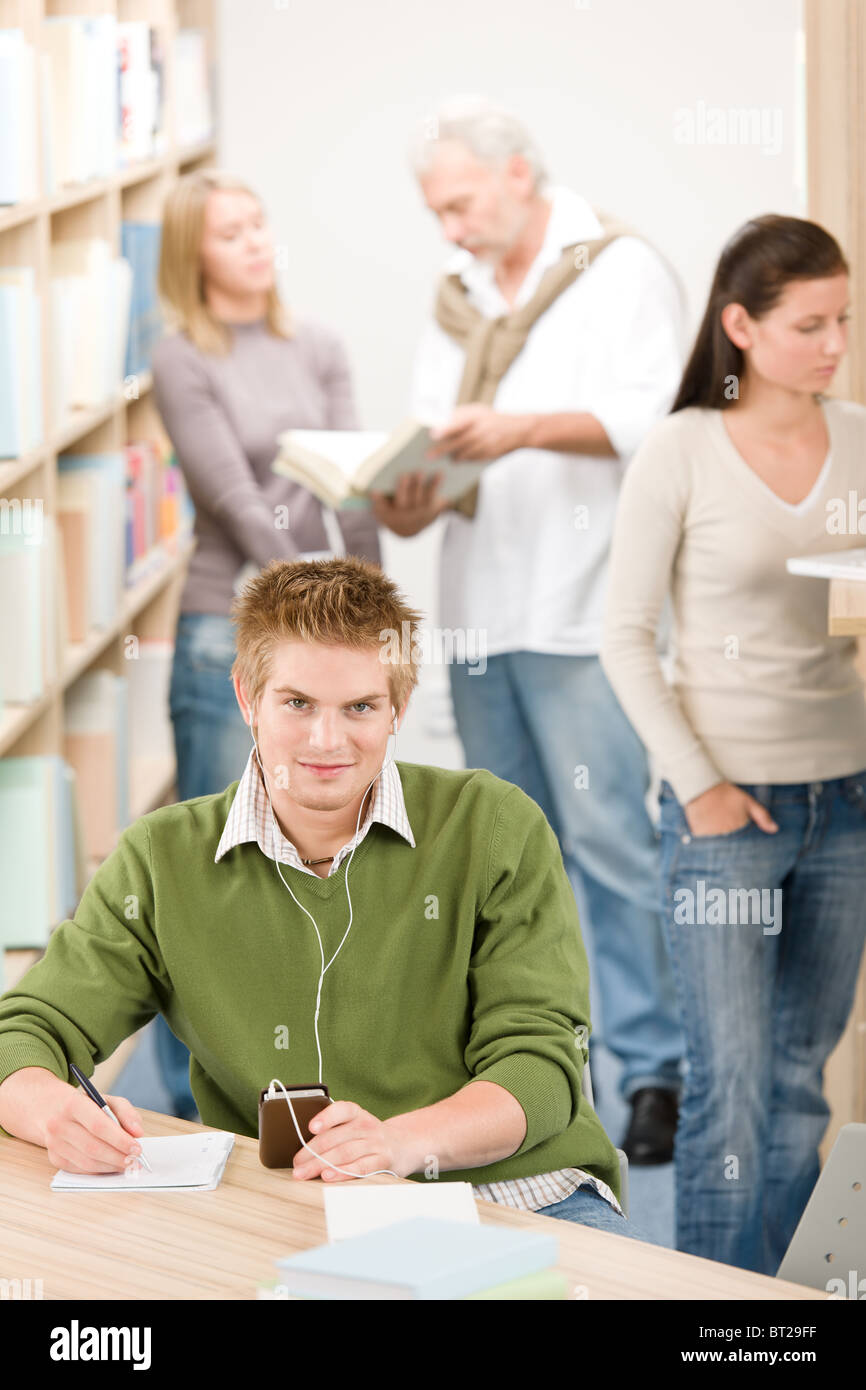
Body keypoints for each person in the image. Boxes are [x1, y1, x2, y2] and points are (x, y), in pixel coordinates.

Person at [0, 557, 654, 1241]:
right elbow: (24, 1032)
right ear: (247, 696)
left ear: (399, 707)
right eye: (297, 703)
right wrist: (53, 1113)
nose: (326, 741)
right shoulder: (162, 860)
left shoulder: (494, 827)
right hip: (294, 1208)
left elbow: (543, 1071)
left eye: (361, 708)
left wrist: (397, 1145)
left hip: (513, 1190)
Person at [371, 96, 684, 1162]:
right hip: (477, 615)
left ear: (516, 175)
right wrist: (399, 493)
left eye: (457, 203)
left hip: (578, 610)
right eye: (434, 212)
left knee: (607, 846)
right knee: (507, 860)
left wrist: (516, 428)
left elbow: (659, 419)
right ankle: (546, 1072)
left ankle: (654, 1074)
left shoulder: (618, 268)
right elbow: (432, 441)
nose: (448, 227)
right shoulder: (456, 299)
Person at [600, 213, 866, 1273]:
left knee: (802, 1076)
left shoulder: (857, 436)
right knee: (728, 1081)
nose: (833, 343)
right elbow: (620, 638)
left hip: (842, 795)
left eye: (841, 320)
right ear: (739, 328)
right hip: (723, 810)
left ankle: (787, 1306)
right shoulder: (680, 450)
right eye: (808, 324)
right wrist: (698, 785)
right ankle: (713, 1318)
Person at [149, 168, 380, 1118]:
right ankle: (183, 1103)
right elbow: (231, 498)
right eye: (228, 231)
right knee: (214, 873)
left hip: (317, 646)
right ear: (191, 254)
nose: (253, 241)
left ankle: (296, 1089)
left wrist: (370, 610)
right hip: (226, 631)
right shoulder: (180, 357)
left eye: (258, 223)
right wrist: (306, 606)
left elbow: (352, 483)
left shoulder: (317, 343)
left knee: (322, 859)